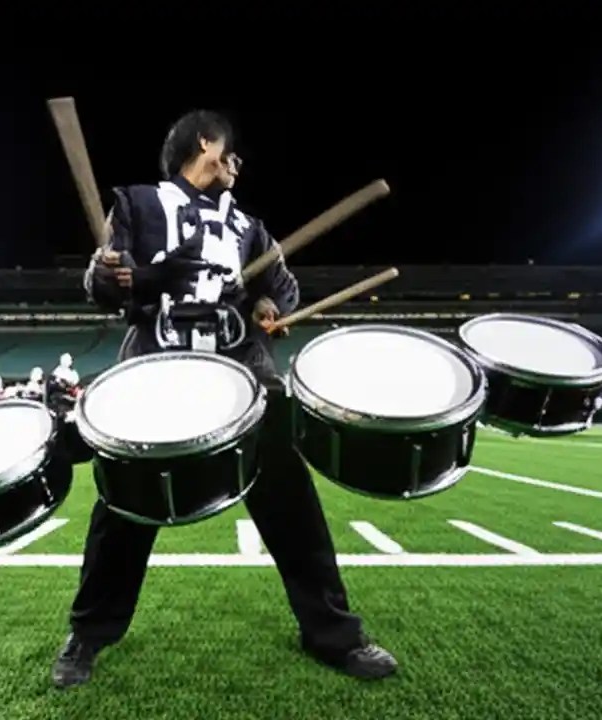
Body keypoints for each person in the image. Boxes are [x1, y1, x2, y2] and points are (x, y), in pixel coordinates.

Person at [55, 110, 396, 690]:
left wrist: (267, 306)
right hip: (154, 376)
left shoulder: (250, 228)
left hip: (244, 377)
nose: (237, 165)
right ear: (207, 145)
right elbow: (104, 285)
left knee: (292, 506)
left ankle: (333, 633)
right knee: (123, 511)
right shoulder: (138, 205)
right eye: (232, 153)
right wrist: (110, 273)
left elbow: (278, 286)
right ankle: (88, 635)